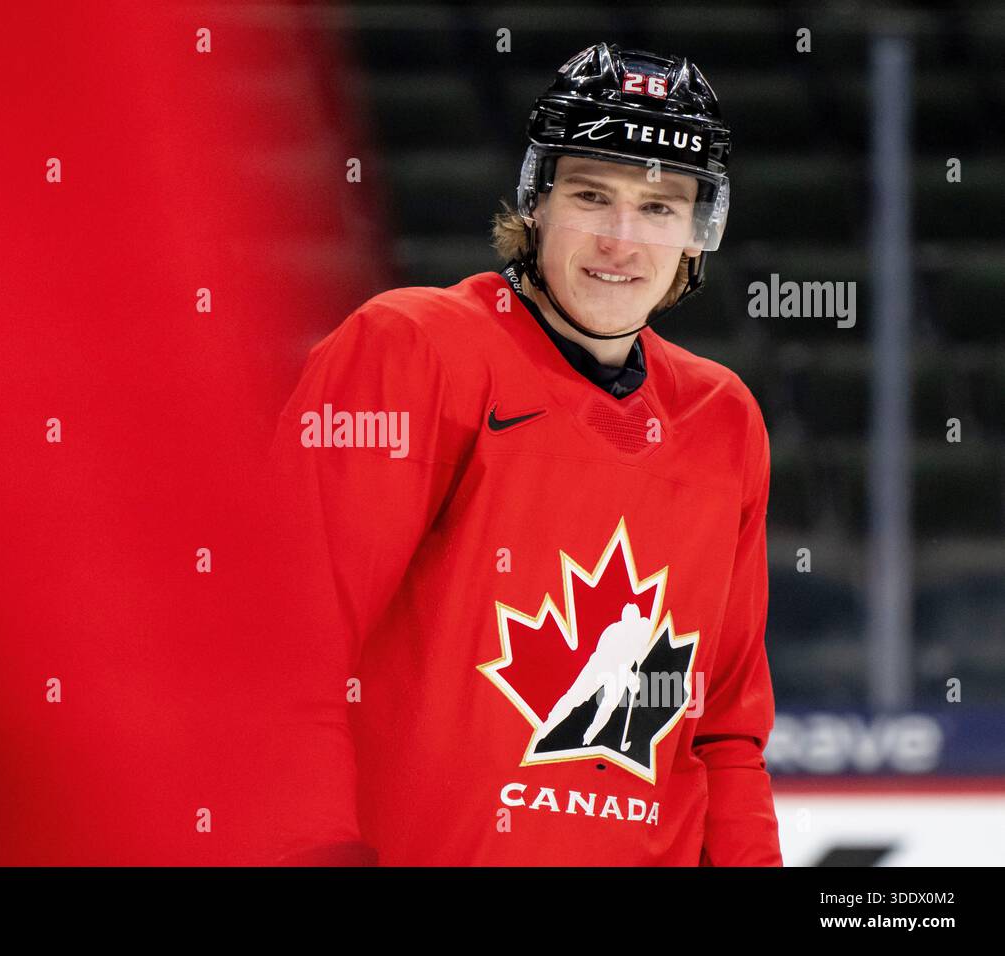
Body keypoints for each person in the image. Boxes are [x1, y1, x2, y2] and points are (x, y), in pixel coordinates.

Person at [266, 42, 781, 866]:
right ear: (537, 200)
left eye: (659, 208)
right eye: (591, 195)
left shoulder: (723, 419)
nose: (621, 239)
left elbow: (725, 732)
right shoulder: (411, 351)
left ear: (697, 231)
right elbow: (288, 648)